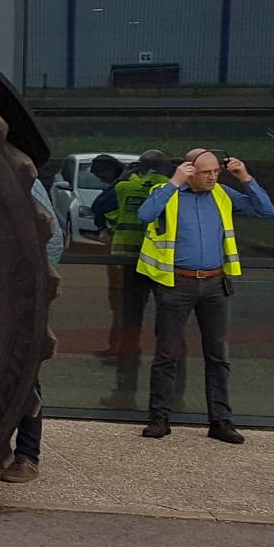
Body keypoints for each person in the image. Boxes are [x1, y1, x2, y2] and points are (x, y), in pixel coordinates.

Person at [136, 148, 274, 443]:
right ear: (188, 170)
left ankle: (221, 421)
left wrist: (245, 177)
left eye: (216, 172)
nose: (212, 177)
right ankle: (159, 418)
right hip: (177, 284)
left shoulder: (222, 193)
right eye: (205, 172)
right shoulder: (167, 191)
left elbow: (266, 210)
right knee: (167, 354)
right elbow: (145, 214)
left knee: (218, 356)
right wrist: (174, 182)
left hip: (215, 283)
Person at [2, 177, 64, 483]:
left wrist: (28, 281)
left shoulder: (25, 181)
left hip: (18, 296)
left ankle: (28, 455)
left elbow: (53, 240)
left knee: (25, 372)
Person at [98, 151, 171, 407]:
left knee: (130, 328)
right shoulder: (172, 189)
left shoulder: (126, 186)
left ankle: (124, 391)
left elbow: (100, 206)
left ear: (141, 165)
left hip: (130, 263)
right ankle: (171, 396)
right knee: (170, 332)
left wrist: (123, 176)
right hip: (162, 264)